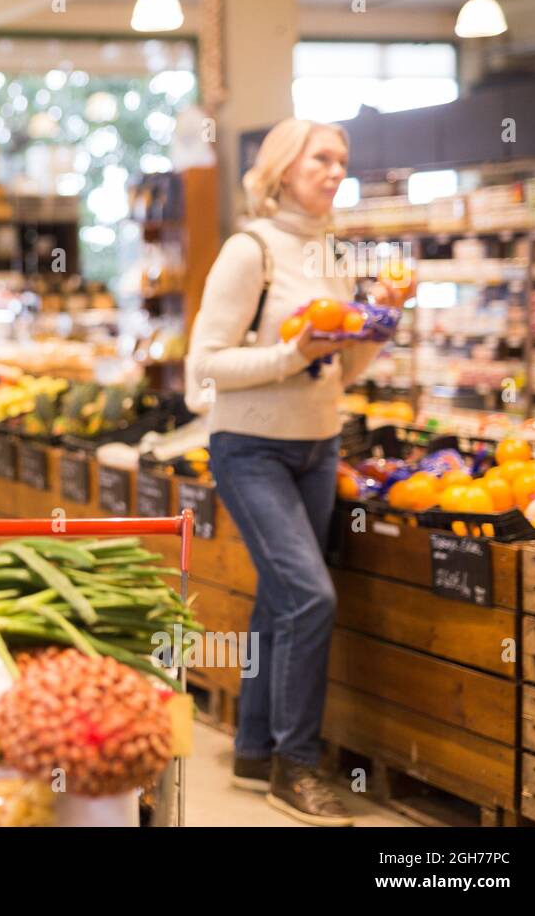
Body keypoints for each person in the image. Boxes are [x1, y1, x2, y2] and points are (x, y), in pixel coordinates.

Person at [187, 118, 410, 826]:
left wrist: (379, 327)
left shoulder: (333, 255)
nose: (336, 169)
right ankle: (298, 767)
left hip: (320, 447)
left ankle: (254, 751)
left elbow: (341, 366)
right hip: (251, 449)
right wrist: (289, 355)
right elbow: (207, 366)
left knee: (278, 602)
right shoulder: (248, 250)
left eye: (342, 160)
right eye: (322, 157)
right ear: (283, 167)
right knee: (311, 597)